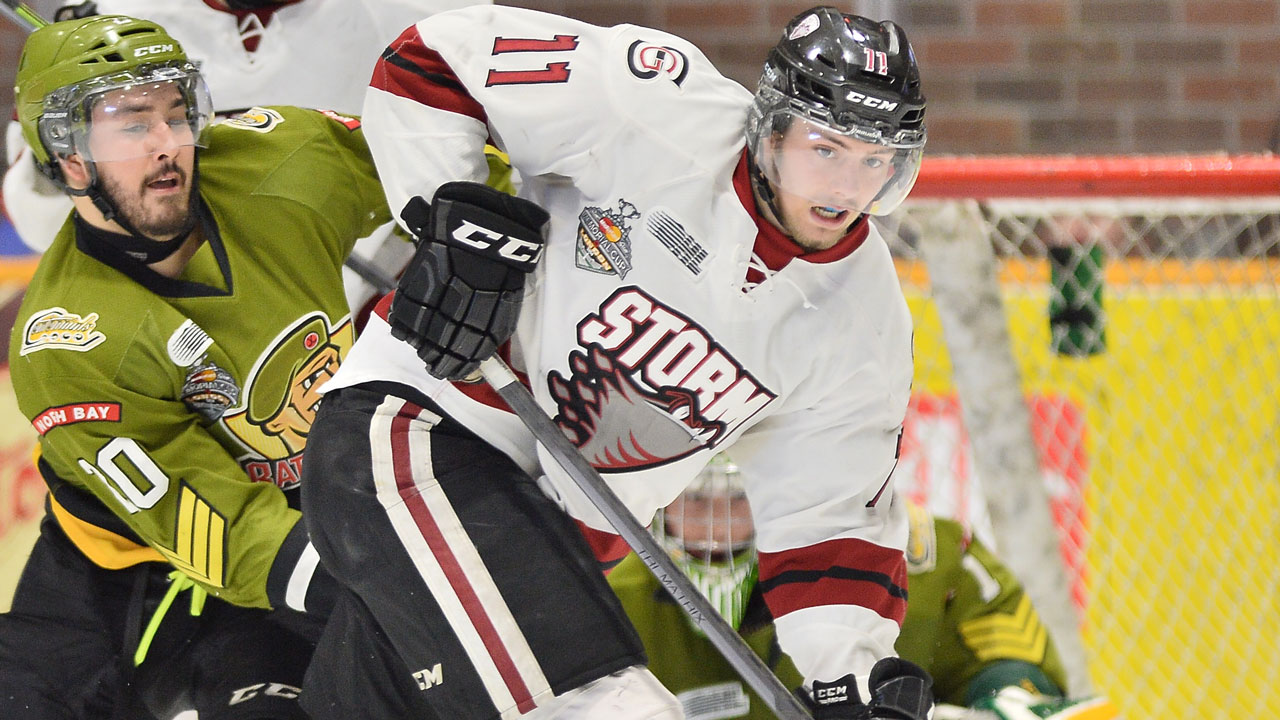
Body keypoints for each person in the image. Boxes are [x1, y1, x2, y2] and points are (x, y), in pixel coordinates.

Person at [300, 5, 933, 719]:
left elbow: (830, 522)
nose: (848, 188)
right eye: (826, 149)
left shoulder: (864, 322)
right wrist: (450, 224)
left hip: (554, 545)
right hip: (418, 432)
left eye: (876, 161)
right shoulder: (653, 105)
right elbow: (432, 59)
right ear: (772, 128)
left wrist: (847, 683)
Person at [1, 14, 391, 719]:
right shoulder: (67, 340)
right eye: (130, 125)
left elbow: (459, 162)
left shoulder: (289, 160)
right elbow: (221, 531)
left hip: (296, 530)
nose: (167, 146)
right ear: (68, 157)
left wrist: (481, 234)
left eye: (177, 114)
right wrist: (392, 579)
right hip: (117, 576)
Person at [3, 0, 490, 316]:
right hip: (193, 326)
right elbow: (40, 224)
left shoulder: (435, 13)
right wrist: (71, 148)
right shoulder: (103, 24)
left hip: (404, 296)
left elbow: (497, 171)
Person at [609, 455, 1121, 720]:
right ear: (660, 500)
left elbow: (1008, 664)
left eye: (737, 500)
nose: (716, 529)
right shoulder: (608, 590)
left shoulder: (917, 557)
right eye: (698, 502)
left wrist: (1005, 700)